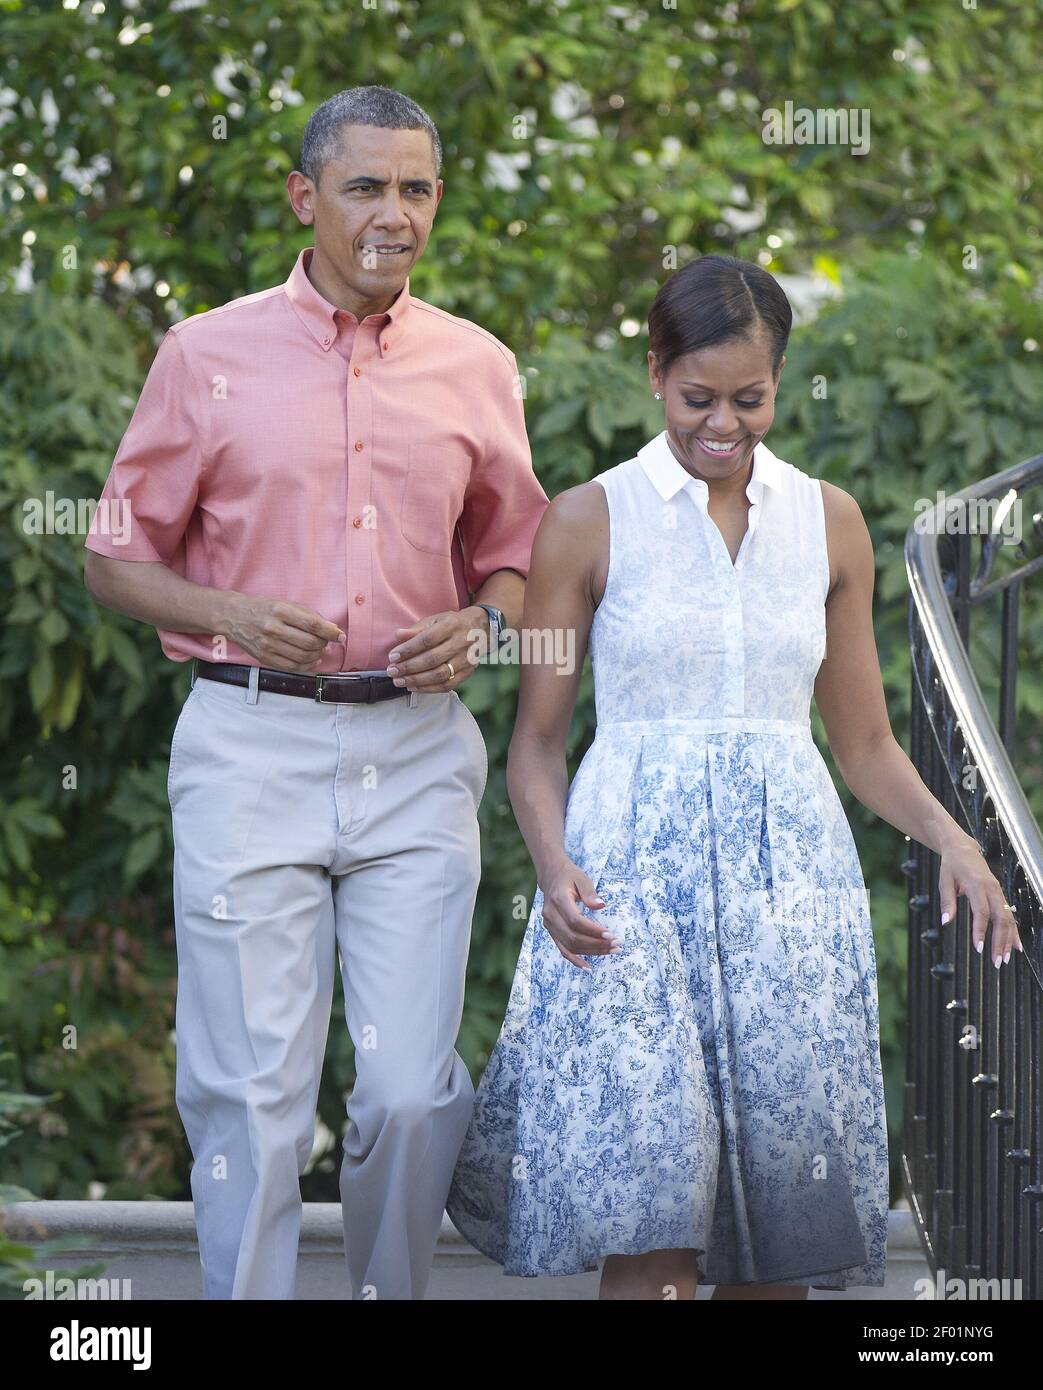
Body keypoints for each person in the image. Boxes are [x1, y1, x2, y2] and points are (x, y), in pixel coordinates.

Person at [445, 254, 1021, 1300]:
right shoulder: (585, 517)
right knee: (652, 1223)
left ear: (778, 384)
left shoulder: (827, 520)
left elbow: (863, 745)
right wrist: (553, 863)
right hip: (628, 895)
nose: (722, 423)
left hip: (785, 895)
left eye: (747, 399)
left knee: (771, 1237)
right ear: (655, 371)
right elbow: (536, 742)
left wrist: (952, 836)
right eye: (695, 397)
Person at [83, 85, 548, 1300]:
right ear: (305, 196)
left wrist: (484, 623)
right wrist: (228, 611)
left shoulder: (475, 367)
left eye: (416, 188)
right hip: (247, 749)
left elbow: (515, 553)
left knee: (404, 1088)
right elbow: (113, 557)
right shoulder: (204, 354)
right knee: (249, 1092)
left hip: (413, 754)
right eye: (365, 186)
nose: (393, 212)